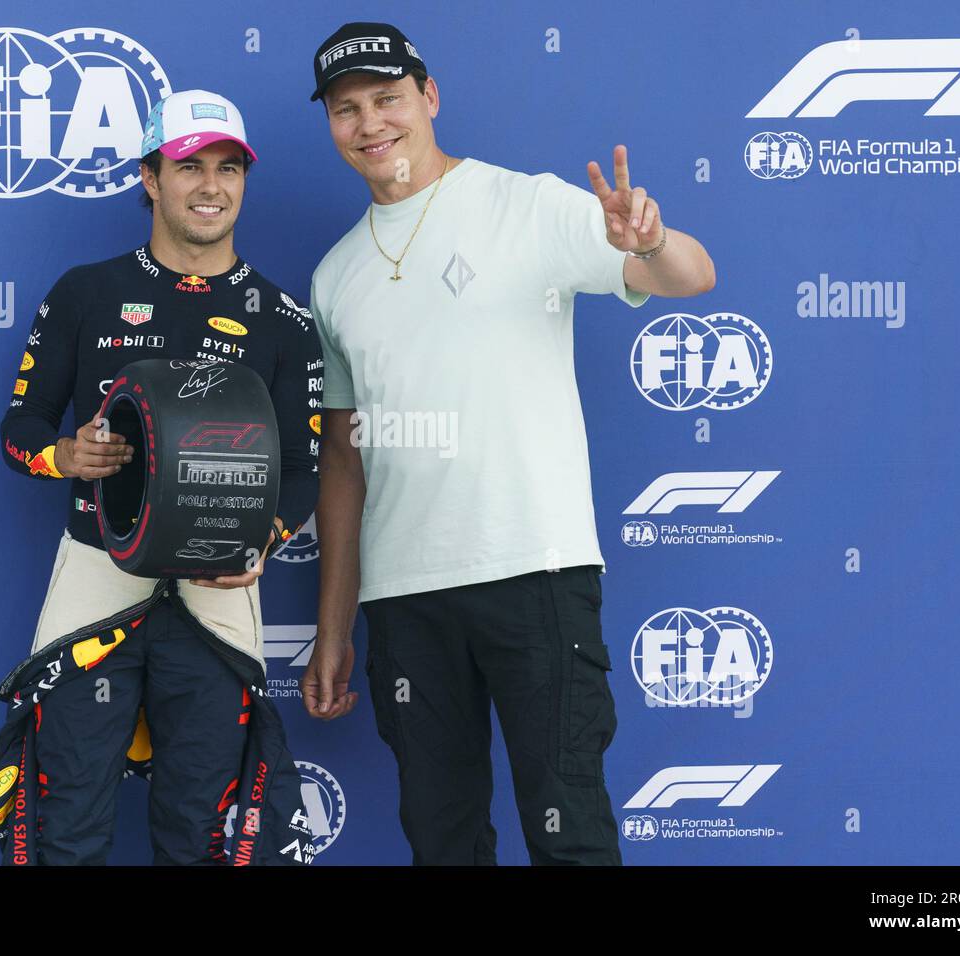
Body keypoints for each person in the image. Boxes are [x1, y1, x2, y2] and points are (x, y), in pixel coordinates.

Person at [298, 23, 715, 865]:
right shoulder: (334, 276)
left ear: (429, 97)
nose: (371, 124)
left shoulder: (525, 204)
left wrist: (652, 243)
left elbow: (691, 276)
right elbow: (344, 460)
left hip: (536, 571)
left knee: (570, 836)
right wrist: (334, 627)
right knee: (442, 842)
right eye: (348, 110)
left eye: (388, 99)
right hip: (406, 596)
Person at [0, 89, 322, 864]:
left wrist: (261, 546)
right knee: (63, 819)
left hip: (219, 595)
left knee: (209, 830)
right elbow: (19, 429)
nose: (211, 186)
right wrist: (62, 457)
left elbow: (306, 473)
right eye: (189, 167)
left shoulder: (283, 320)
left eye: (228, 168)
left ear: (244, 180)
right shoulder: (86, 292)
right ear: (151, 178)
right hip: (96, 579)